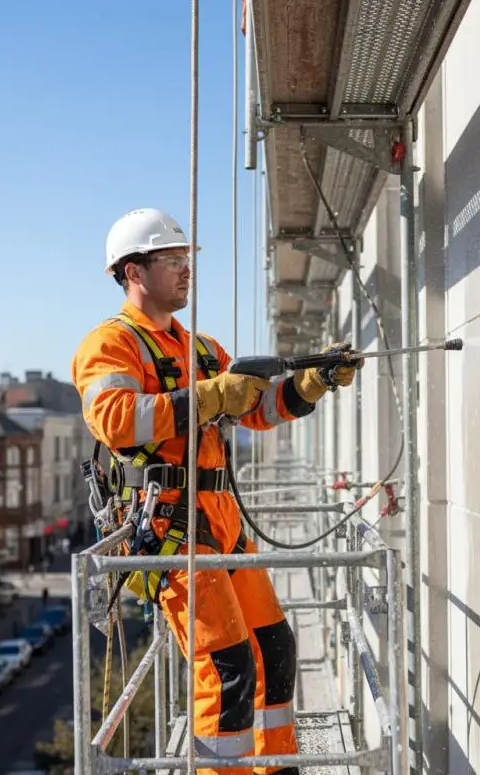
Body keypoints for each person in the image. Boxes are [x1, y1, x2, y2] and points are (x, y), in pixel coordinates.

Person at [71, 208, 360, 775]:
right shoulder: (111, 345)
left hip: (220, 522)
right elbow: (118, 420)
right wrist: (211, 397)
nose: (186, 270)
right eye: (173, 260)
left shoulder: (200, 350)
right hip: (170, 531)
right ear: (134, 271)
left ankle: (277, 767)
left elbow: (256, 407)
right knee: (226, 667)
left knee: (273, 649)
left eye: (186, 260)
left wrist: (311, 383)